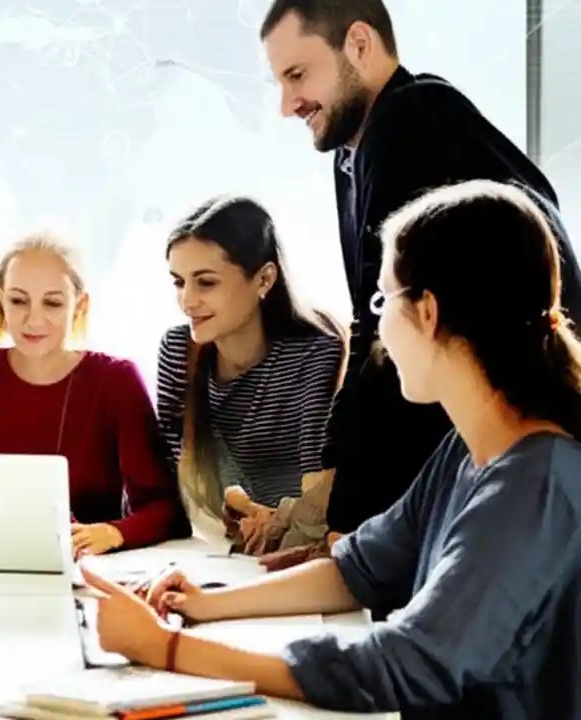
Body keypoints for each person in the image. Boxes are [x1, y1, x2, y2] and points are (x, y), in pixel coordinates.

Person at [84, 181, 581, 718]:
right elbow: (358, 569)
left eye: (382, 298)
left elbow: (405, 664)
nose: (378, 325)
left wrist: (169, 649)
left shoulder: (536, 480)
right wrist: (203, 604)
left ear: (428, 312)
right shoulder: (467, 449)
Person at [259, 0, 581, 545]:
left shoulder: (410, 120)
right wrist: (330, 487)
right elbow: (372, 327)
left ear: (358, 44)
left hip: (510, 449)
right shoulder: (356, 152)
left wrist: (344, 524)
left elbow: (399, 338)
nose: (287, 104)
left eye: (297, 75)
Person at [0, 234, 186, 555]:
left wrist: (113, 533)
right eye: (19, 301)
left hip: (86, 571)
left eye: (52, 303)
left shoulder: (117, 380)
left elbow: (165, 509)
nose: (34, 320)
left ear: (79, 306)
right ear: (0, 301)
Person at [155, 197, 346, 555]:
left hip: (301, 553)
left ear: (264, 278)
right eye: (179, 282)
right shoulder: (178, 349)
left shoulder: (316, 352)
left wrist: (273, 521)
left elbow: (318, 503)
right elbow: (167, 483)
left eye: (206, 283)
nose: (187, 301)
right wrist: (238, 508)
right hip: (220, 552)